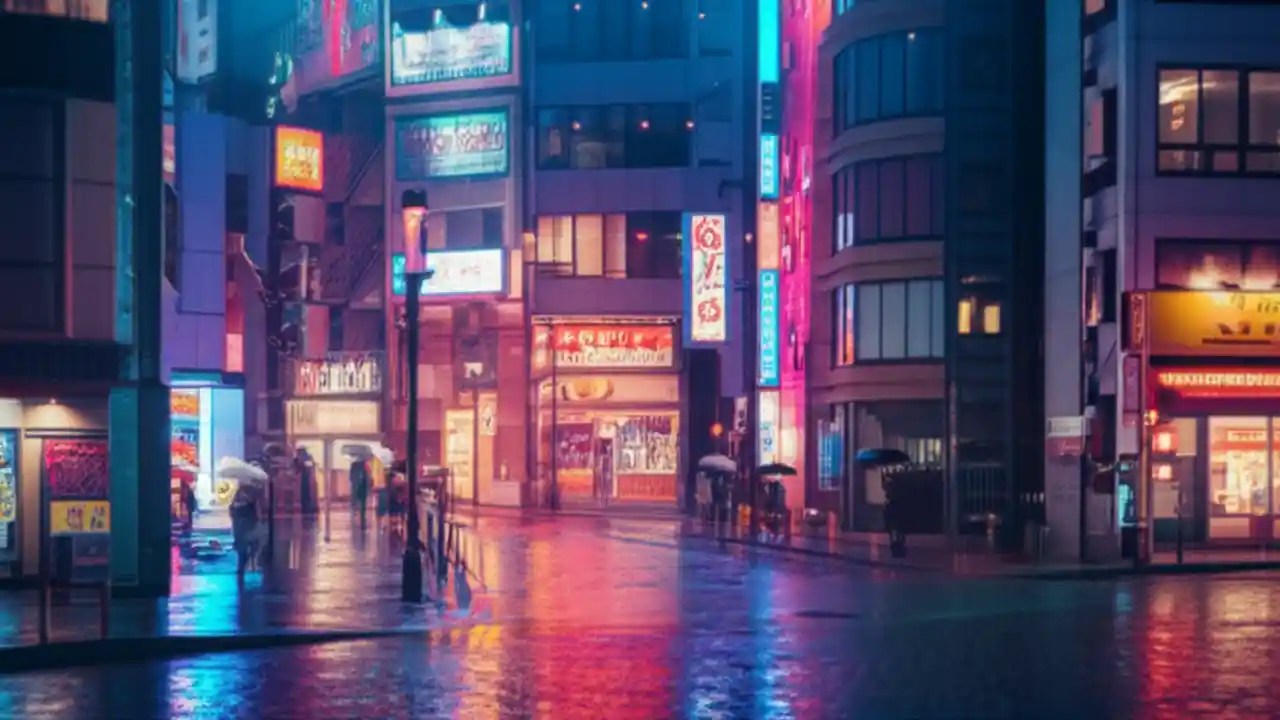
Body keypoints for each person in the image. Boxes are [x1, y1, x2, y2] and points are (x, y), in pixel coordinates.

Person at [230, 482, 262, 578]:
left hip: (242, 529)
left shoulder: (247, 500)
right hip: (244, 529)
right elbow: (255, 516)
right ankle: (243, 567)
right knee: (246, 550)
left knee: (245, 550)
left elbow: (233, 512)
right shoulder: (250, 501)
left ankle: (243, 568)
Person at [295, 448, 317, 515]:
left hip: (307, 479)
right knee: (305, 495)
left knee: (307, 494)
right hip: (304, 479)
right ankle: (306, 509)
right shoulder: (300, 458)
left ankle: (308, 508)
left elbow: (310, 465)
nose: (298, 454)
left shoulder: (306, 458)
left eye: (299, 452)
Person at [350, 456, 370, 529]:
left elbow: (368, 476)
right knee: (357, 504)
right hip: (358, 487)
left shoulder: (365, 465)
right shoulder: (354, 465)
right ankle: (359, 519)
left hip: (362, 487)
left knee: (362, 505)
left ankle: (362, 520)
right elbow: (351, 478)